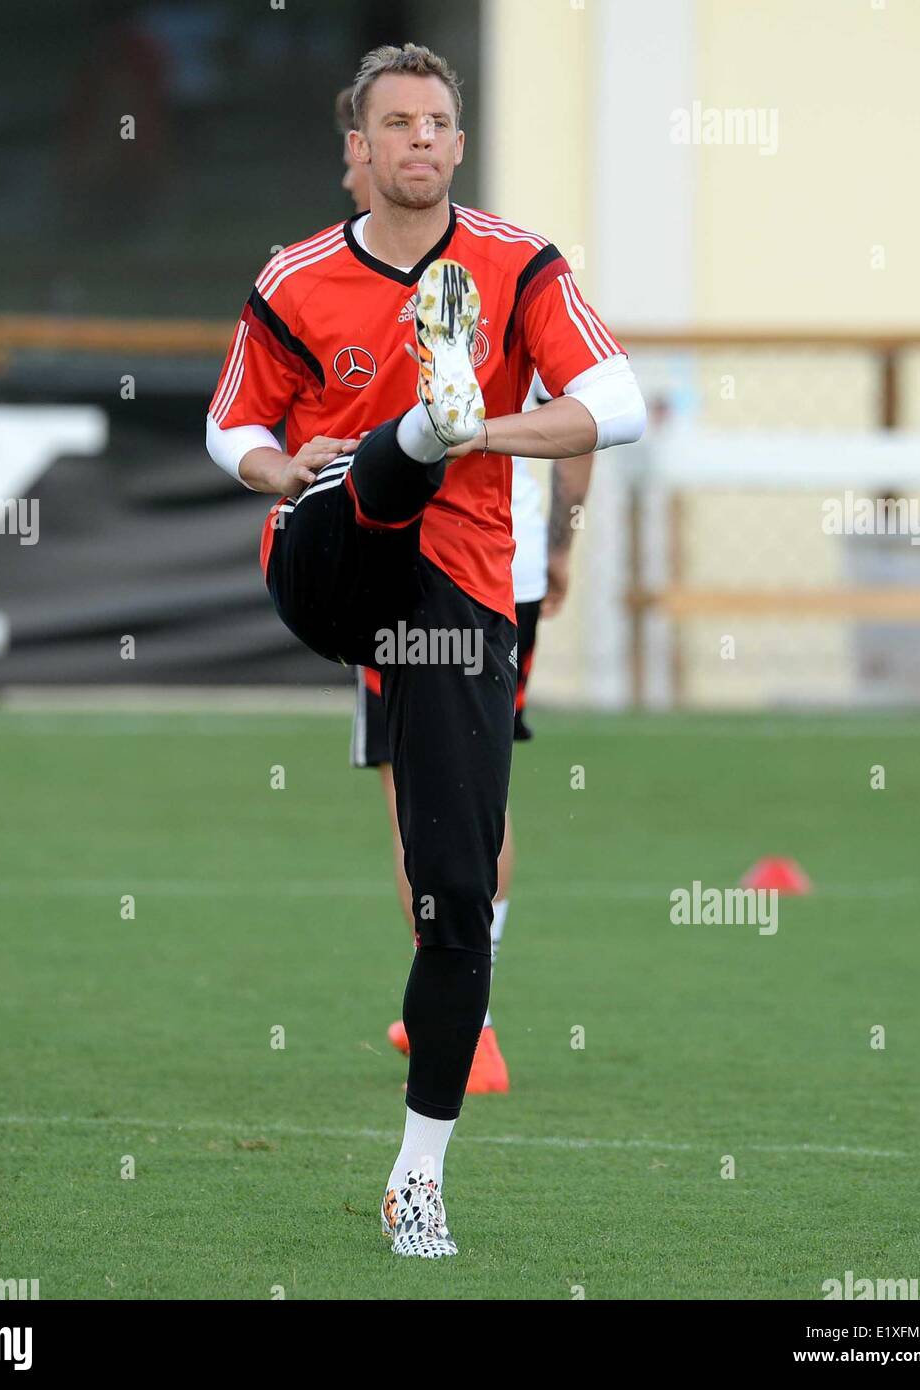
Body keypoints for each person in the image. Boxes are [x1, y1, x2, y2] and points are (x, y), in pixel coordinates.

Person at [208, 43, 645, 1258]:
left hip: (454, 599)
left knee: (453, 899)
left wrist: (485, 431)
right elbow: (230, 417)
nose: (417, 140)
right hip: (328, 549)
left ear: (457, 145)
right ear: (359, 150)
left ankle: (417, 1175)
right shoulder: (294, 280)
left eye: (436, 123)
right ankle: (418, 422)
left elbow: (617, 404)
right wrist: (268, 462)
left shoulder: (519, 262)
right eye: (393, 122)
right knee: (377, 475)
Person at [334, 87, 596, 1096]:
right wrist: (562, 544)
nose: (407, 152)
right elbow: (580, 429)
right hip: (511, 572)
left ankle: (452, 1003)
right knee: (479, 791)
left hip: (431, 565)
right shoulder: (521, 277)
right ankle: (467, 1000)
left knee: (420, 790)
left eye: (423, 130)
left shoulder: (418, 285)